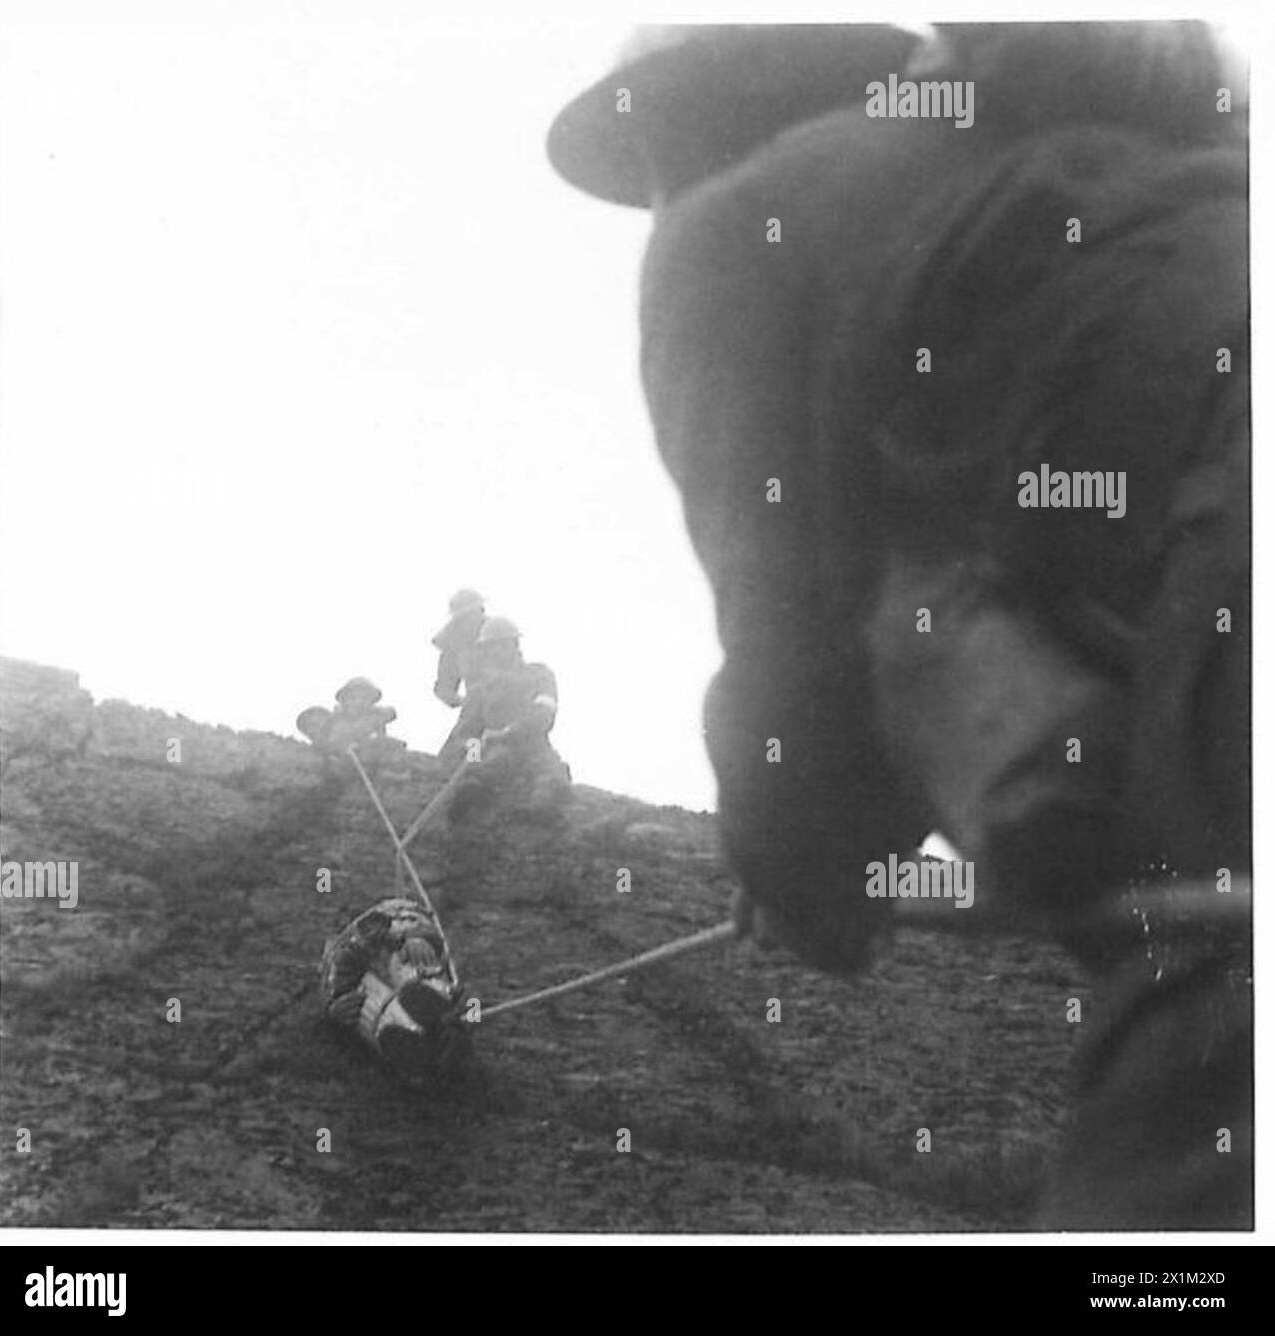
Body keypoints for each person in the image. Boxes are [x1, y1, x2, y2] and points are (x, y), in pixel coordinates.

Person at [548, 21, 1249, 1229]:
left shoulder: (731, 232)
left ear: (663, 129)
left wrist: (795, 856)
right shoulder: (1066, 167)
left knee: (1193, 1118)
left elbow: (789, 651)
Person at [445, 616, 571, 823]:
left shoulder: (538, 675)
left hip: (534, 746)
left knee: (553, 781)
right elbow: (466, 734)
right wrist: (477, 753)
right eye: (490, 647)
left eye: (500, 645)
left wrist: (509, 733)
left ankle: (535, 818)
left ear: (514, 645)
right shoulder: (480, 690)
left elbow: (544, 713)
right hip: (493, 752)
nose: (495, 652)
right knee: (479, 777)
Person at [320, 898, 462, 1064]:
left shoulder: (399, 934)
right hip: (385, 1021)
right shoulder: (343, 963)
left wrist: (417, 939)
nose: (377, 961)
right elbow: (331, 989)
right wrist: (333, 1011)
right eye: (372, 956)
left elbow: (421, 925)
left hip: (423, 988)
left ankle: (441, 1016)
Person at [432, 589, 487, 759]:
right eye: (466, 616)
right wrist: (465, 701)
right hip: (476, 715)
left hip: (510, 710)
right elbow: (444, 688)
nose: (473, 619)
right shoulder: (454, 646)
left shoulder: (499, 636)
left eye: (475, 613)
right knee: (467, 757)